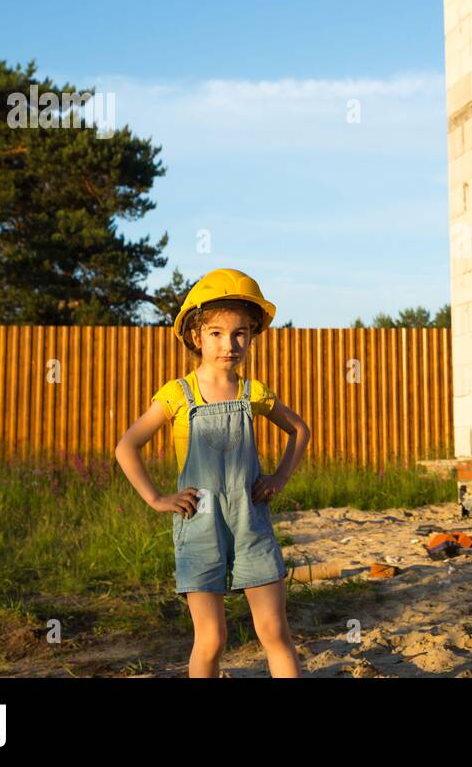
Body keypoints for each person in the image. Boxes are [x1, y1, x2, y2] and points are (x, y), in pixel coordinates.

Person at [114, 267, 312, 677]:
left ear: (252, 336)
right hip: (198, 525)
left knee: (274, 631)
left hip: (250, 521)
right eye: (217, 333)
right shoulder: (177, 395)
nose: (230, 344)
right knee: (211, 639)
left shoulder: (252, 393)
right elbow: (126, 446)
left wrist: (278, 478)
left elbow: (299, 429)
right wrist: (156, 498)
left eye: (241, 333)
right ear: (195, 337)